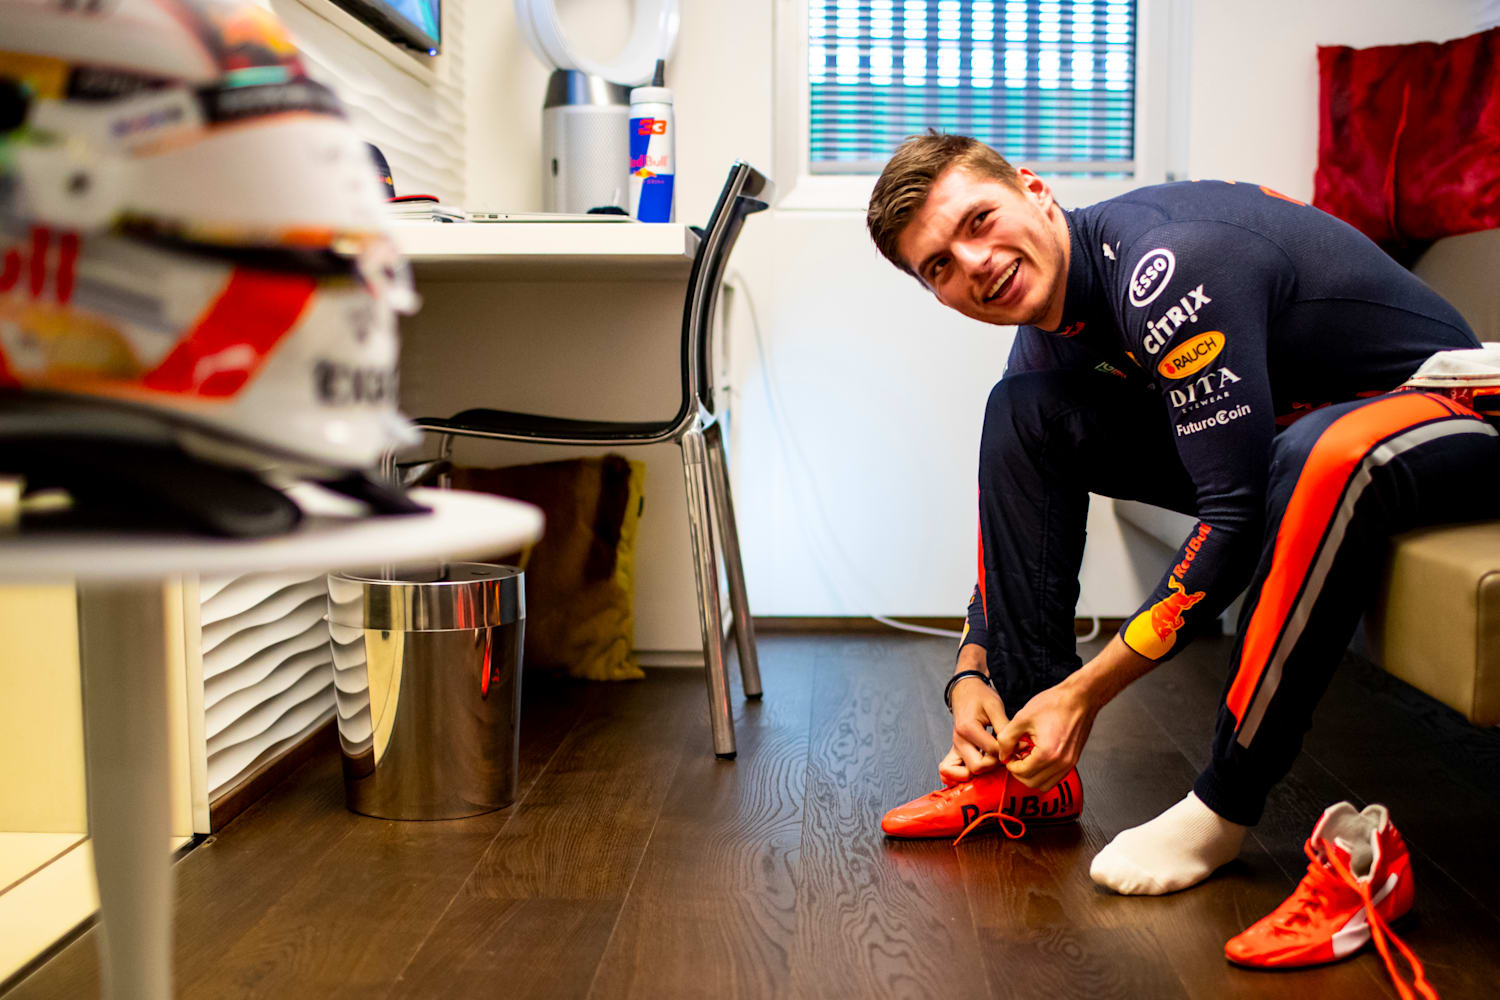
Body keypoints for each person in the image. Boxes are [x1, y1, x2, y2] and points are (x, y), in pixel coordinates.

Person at [866, 131, 1500, 895]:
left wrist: (1089, 693)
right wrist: (973, 669)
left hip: (1447, 413)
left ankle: (1223, 805)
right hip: (1289, 446)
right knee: (1023, 412)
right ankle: (1026, 771)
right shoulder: (1049, 328)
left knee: (1316, 451)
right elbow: (1025, 527)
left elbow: (1234, 520)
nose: (975, 264)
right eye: (940, 266)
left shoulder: (1164, 266)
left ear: (1033, 188)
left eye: (977, 221)